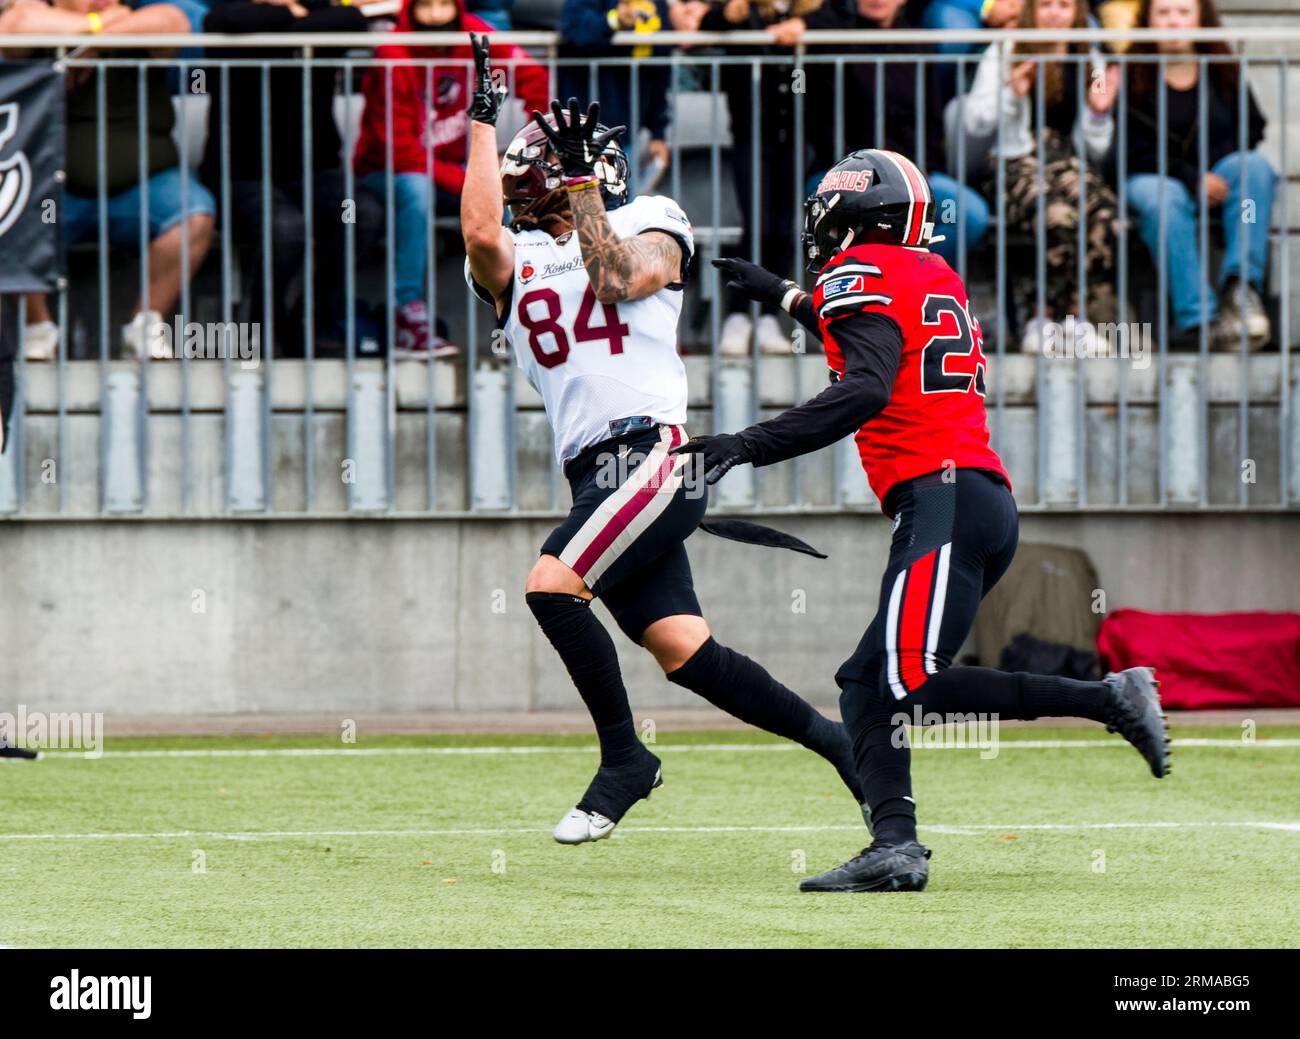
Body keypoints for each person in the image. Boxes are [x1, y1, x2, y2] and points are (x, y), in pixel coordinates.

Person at [678, 148, 1169, 893]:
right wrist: (781, 294)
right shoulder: (927, 272)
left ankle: (1109, 697)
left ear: (853, 216)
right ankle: (895, 844)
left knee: (911, 681)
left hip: (940, 497)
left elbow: (866, 386)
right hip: (967, 498)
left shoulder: (856, 275)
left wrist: (743, 445)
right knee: (866, 685)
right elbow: (875, 336)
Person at [461, 37, 864, 843]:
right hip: (593, 476)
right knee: (687, 651)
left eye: (532, 165)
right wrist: (481, 114)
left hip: (652, 458)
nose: (517, 179)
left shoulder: (653, 216)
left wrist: (579, 186)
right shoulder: (519, 257)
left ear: (584, 169)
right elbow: (477, 231)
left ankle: (625, 760)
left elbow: (615, 277)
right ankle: (849, 751)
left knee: (549, 585)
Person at [0, 0, 215, 361]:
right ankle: (38, 326)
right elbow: (15, 24)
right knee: (7, 218)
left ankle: (145, 324)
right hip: (53, 194)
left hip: (141, 187)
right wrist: (101, 25)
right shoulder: (43, 15)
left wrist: (90, 45)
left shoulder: (139, 15)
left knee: (194, 214)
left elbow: (173, 22)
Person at [354, 0, 549, 357]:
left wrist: (526, 149)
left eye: (442, 5)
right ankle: (406, 315)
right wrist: (471, 178)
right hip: (384, 172)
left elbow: (535, 77)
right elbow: (401, 151)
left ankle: (515, 308)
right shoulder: (393, 52)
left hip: (449, 170)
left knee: (507, 196)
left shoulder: (474, 35)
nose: (434, 16)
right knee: (417, 191)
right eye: (425, 6)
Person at [201, 0, 380, 359]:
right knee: (285, 229)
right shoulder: (234, 11)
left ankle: (306, 320)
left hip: (315, 170)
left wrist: (281, 22)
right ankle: (260, 325)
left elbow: (352, 20)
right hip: (240, 172)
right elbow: (226, 19)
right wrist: (297, 18)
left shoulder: (323, 13)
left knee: (361, 214)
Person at [771, 0, 991, 272]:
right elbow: (818, 121)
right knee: (847, 219)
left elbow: (932, 120)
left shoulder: (920, 44)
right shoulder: (831, 39)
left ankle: (904, 283)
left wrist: (919, 174)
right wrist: (862, 170)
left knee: (968, 214)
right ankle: (867, 291)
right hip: (844, 173)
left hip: (912, 174)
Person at [962, 0, 1120, 351]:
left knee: (1106, 213)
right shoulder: (1005, 50)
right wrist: (1011, 94)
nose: (1054, 13)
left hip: (1066, 163)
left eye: (1064, 5)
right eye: (1045, 4)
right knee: (1057, 214)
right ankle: (1042, 316)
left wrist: (1099, 114)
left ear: (1078, 13)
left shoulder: (1089, 58)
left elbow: (1095, 149)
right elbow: (976, 122)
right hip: (1014, 162)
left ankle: (1075, 318)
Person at [1124, 0, 1275, 350]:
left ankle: (1242, 287)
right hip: (1151, 175)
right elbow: (1131, 149)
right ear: (1147, 21)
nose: (1173, 22)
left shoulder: (1222, 68)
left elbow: (1252, 127)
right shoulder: (1130, 73)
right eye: (1163, 13)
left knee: (1253, 170)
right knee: (1164, 200)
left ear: (1200, 18)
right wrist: (1192, 178)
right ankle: (1199, 317)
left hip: (1215, 172)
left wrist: (1209, 172)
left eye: (1182, 12)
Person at [557, 0, 672, 186]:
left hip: (626, 133)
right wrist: (613, 21)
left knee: (621, 207)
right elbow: (573, 27)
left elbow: (660, 67)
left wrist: (658, 133)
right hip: (584, 135)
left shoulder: (657, 4)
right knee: (585, 208)